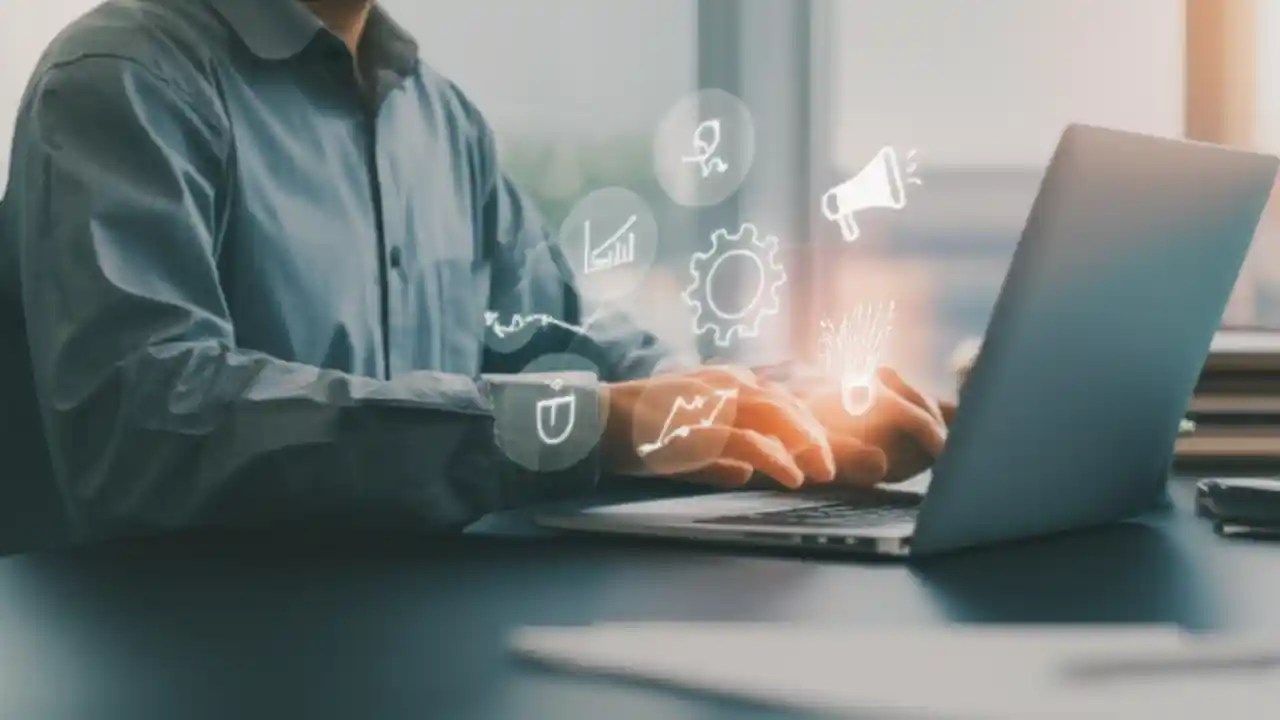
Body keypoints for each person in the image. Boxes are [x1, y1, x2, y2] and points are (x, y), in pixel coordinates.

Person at [0, 0, 946, 546]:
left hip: (404, 634)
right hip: (189, 657)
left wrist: (773, 406)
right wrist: (584, 424)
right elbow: (144, 430)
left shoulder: (437, 117)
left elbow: (565, 339)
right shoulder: (123, 80)